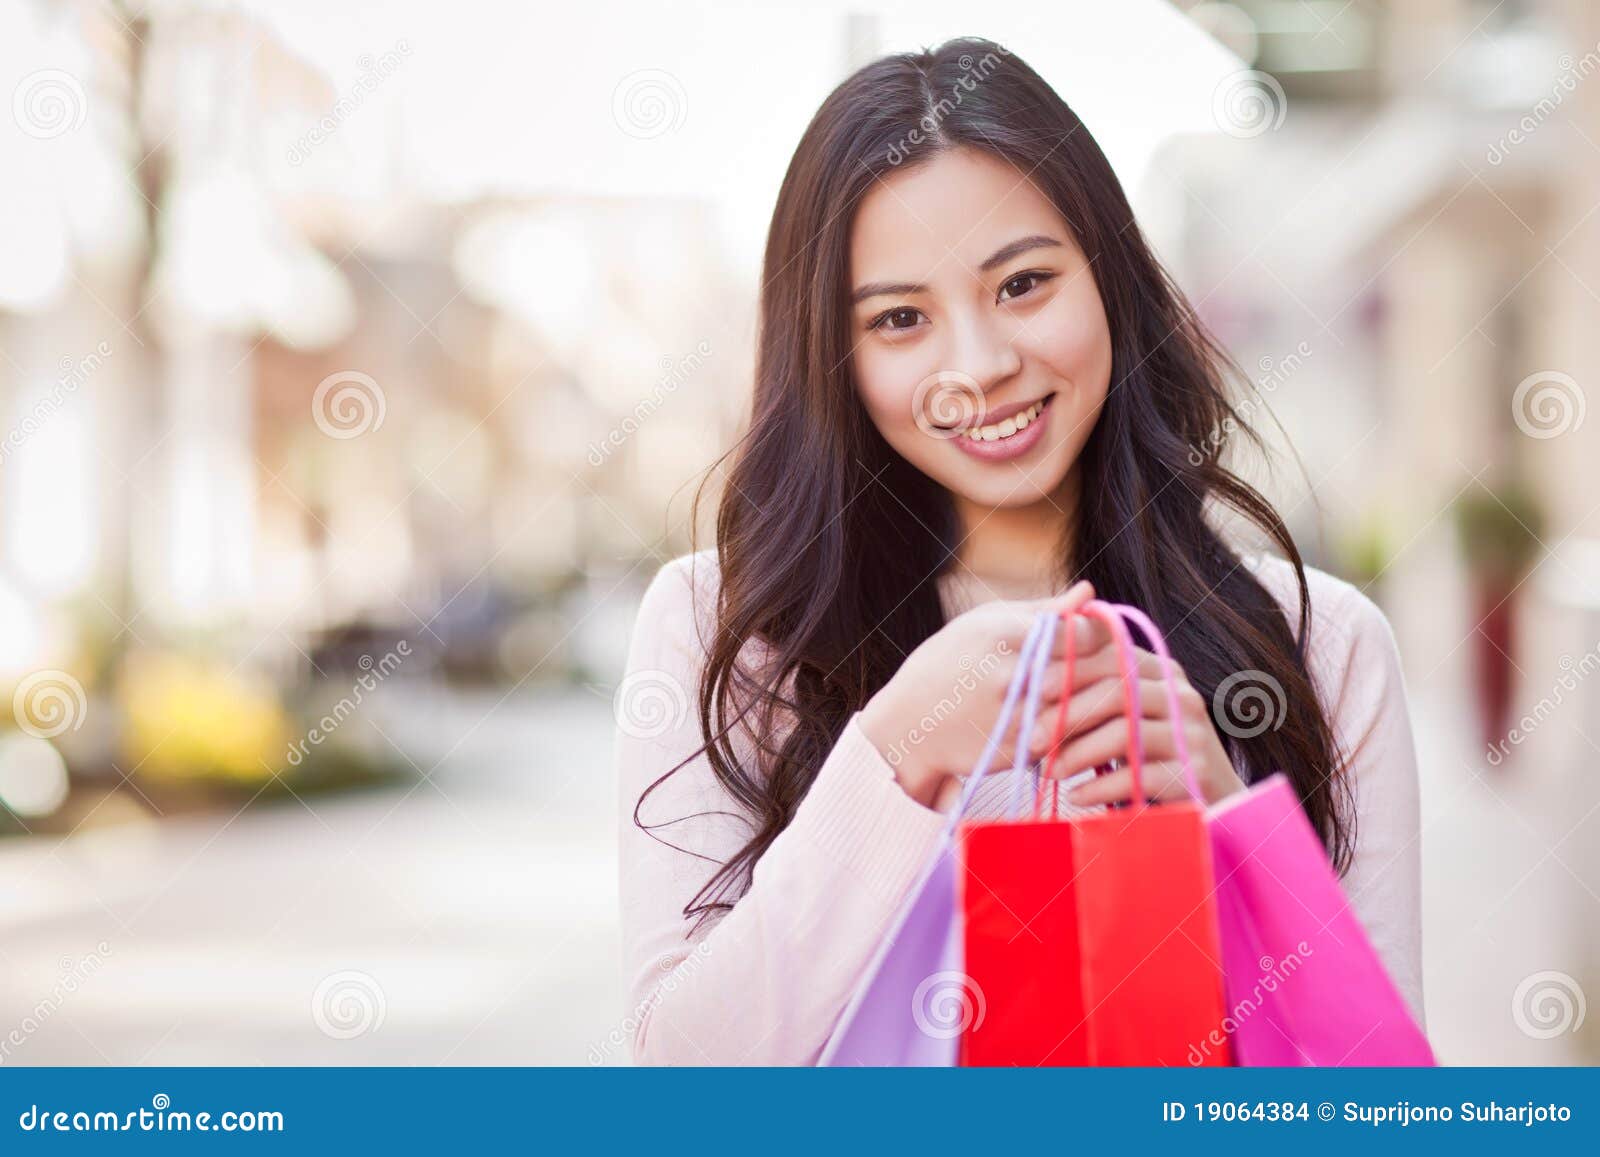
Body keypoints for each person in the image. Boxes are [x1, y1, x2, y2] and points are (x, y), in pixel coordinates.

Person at [614, 37, 1423, 1065]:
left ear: (1111, 281)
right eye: (900, 318)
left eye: (1023, 283)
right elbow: (682, 1077)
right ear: (834, 355)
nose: (981, 366)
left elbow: (1387, 1103)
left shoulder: (1321, 646)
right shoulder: (722, 630)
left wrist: (1226, 825)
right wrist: (897, 749)